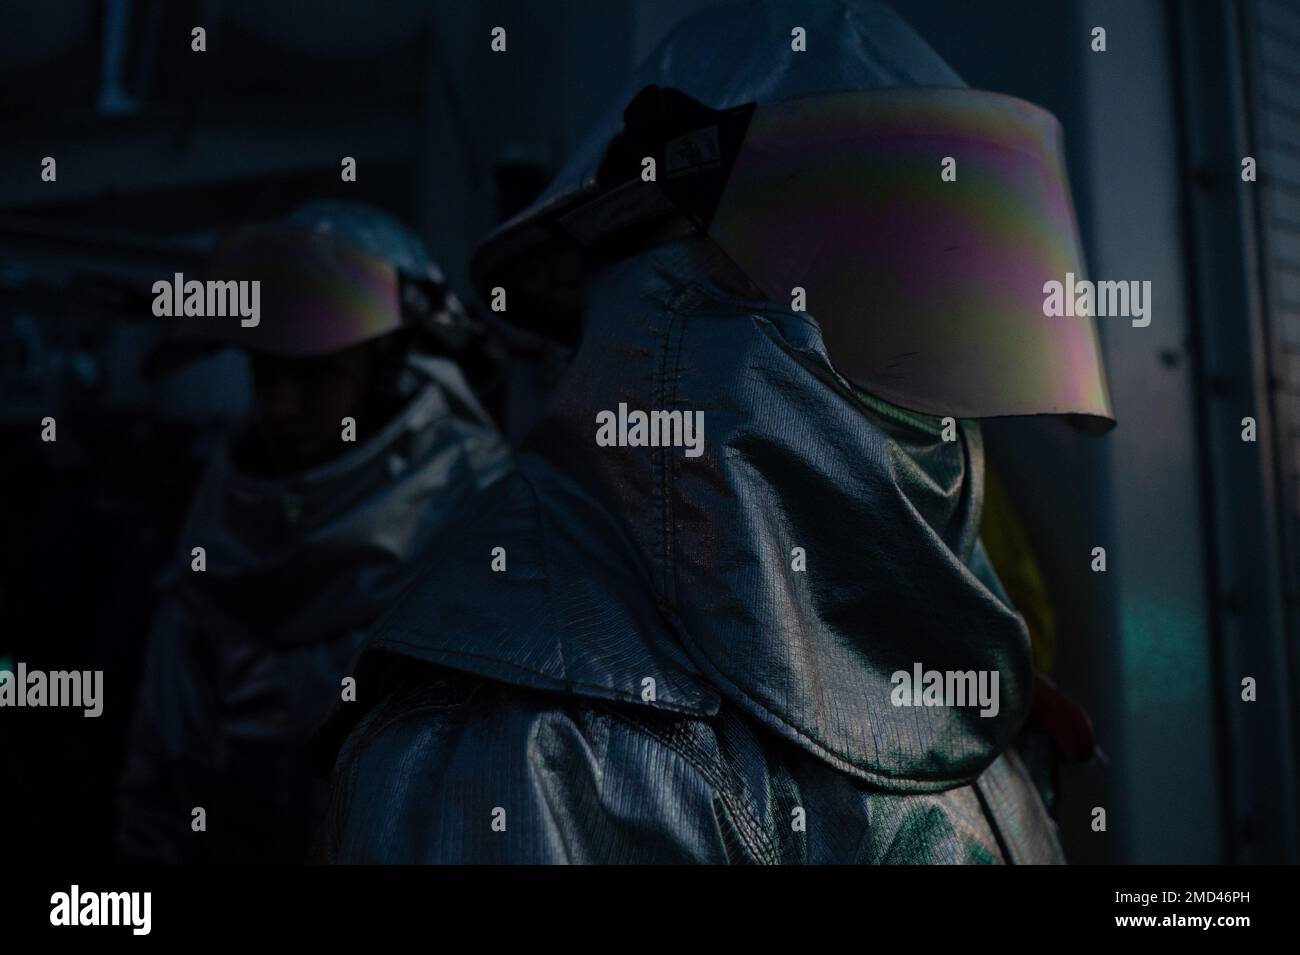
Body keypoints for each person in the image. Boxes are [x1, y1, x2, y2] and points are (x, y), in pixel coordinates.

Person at [315, 1, 1114, 864]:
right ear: (668, 277)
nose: (914, 340)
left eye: (919, 282)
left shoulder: (958, 651)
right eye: (851, 277)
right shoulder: (524, 741)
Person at [117, 202, 512, 863]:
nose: (280, 405)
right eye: (266, 373)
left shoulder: (478, 522)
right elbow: (159, 768)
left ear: (386, 372)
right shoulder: (225, 523)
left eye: (316, 375)